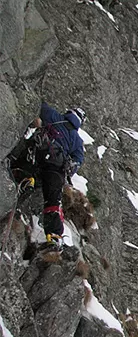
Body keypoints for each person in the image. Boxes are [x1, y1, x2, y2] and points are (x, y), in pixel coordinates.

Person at [8, 102, 86, 248]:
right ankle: (54, 235)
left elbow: (36, 104)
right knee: (53, 201)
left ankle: (27, 179)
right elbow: (77, 161)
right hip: (57, 167)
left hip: (40, 152)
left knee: (30, 161)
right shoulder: (77, 140)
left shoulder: (53, 115)